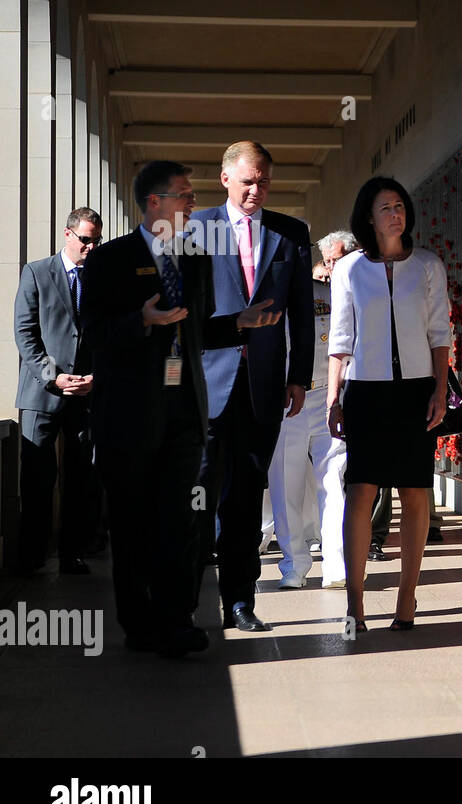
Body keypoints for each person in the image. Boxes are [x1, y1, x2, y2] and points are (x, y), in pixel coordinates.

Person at [80, 160, 280, 656]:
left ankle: (175, 621)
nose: (193, 203)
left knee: (181, 520)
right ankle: (140, 626)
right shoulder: (109, 261)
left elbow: (195, 328)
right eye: (184, 195)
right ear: (154, 203)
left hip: (186, 414)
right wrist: (140, 321)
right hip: (129, 417)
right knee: (132, 526)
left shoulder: (193, 257)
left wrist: (240, 322)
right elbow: (92, 336)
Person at [189, 140, 314, 633]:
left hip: (263, 388)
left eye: (263, 181)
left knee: (244, 499)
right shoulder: (195, 229)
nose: (256, 190)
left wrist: (298, 376)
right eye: (247, 181)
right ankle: (186, 605)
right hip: (205, 387)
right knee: (197, 494)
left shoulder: (290, 234)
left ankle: (239, 602)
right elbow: (186, 316)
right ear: (225, 180)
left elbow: (302, 315)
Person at [327, 176, 451, 632]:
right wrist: (334, 396)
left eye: (400, 205)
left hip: (417, 389)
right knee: (361, 489)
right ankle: (354, 604)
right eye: (385, 207)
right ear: (369, 218)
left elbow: (440, 334)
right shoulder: (350, 270)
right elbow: (341, 338)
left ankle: (407, 599)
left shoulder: (428, 266)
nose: (395, 213)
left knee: (416, 491)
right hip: (366, 389)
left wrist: (440, 390)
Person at [13, 207, 104, 576]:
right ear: (67, 235)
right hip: (42, 394)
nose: (91, 247)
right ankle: (32, 556)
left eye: (97, 240)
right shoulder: (36, 272)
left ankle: (72, 554)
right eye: (85, 239)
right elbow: (25, 333)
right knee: (37, 477)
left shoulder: (102, 278)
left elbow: (110, 336)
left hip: (86, 395)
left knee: (81, 478)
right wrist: (54, 377)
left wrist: (96, 377)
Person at [266, 231, 356, 589]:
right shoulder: (273, 300)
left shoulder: (334, 295)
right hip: (288, 400)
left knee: (333, 482)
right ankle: (293, 564)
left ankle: (336, 563)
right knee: (285, 485)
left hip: (329, 397)